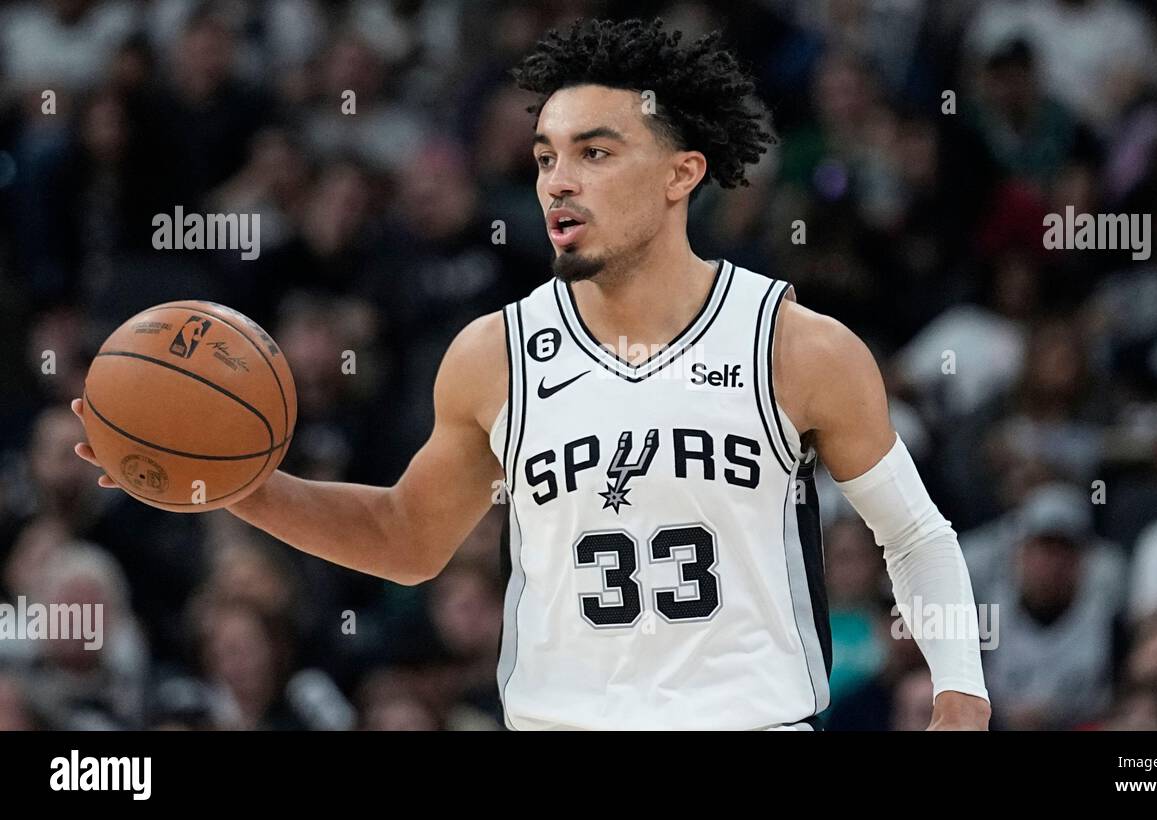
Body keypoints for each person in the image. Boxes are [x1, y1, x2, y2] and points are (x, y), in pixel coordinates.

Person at [70, 18, 989, 731]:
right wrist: (231, 485)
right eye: (546, 156)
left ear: (681, 173)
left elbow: (914, 537)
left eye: (595, 152)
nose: (557, 180)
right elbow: (405, 538)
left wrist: (961, 696)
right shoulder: (493, 356)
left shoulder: (795, 344)